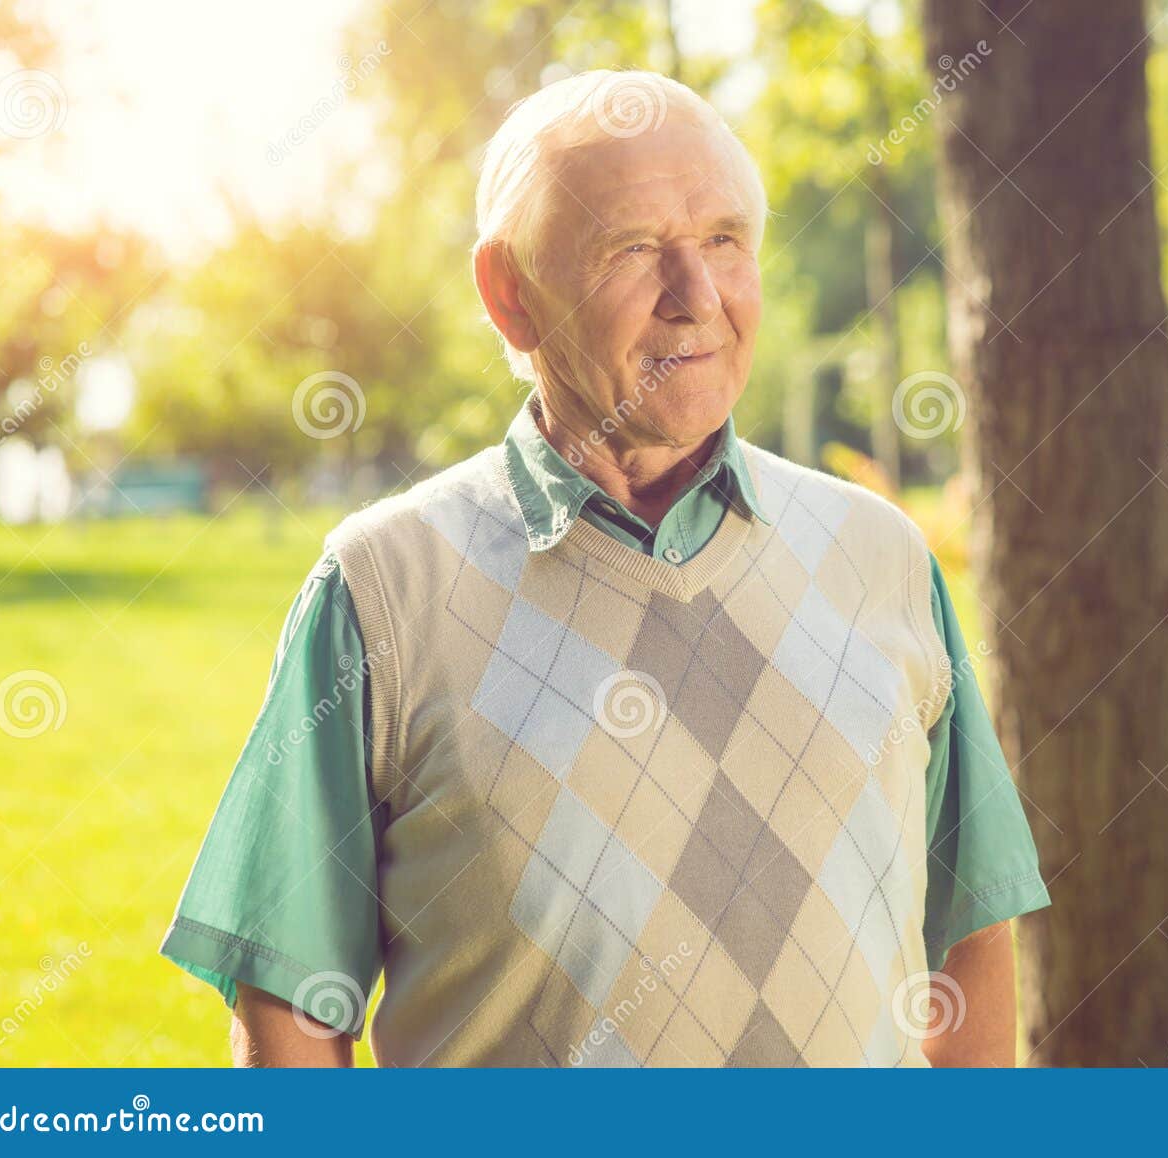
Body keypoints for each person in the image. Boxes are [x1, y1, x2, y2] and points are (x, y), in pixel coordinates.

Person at [160, 69, 1049, 1067]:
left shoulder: (881, 555)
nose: (697, 297)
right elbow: (290, 1005)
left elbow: (972, 929)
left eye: (723, 241)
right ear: (509, 294)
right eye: (632, 250)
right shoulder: (383, 588)